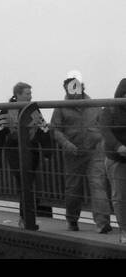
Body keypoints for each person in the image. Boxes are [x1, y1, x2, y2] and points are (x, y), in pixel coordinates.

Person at [49, 72, 107, 231]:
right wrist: (67, 145)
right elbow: (55, 130)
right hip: (72, 153)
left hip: (95, 151)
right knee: (73, 188)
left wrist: (101, 140)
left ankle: (102, 223)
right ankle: (72, 220)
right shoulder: (60, 108)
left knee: (98, 185)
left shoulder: (94, 105)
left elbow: (104, 125)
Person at [0, 81, 51, 227]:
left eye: (30, 93)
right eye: (27, 94)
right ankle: (26, 218)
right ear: (17, 95)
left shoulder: (33, 110)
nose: (30, 97)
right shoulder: (6, 111)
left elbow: (43, 130)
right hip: (14, 151)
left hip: (32, 151)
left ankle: (25, 217)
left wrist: (47, 151)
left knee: (31, 184)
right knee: (24, 182)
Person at [99, 77, 126, 243]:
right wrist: (118, 147)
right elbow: (105, 130)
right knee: (120, 197)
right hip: (117, 158)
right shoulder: (109, 109)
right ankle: (124, 231)